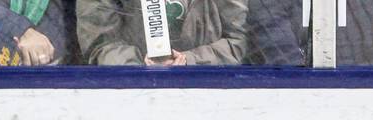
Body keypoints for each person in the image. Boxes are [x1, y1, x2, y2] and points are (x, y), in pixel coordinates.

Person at [77, 0, 249, 65]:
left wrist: (190, 60)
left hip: (207, 91)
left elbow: (235, 43)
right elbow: (99, 44)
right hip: (131, 92)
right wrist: (137, 65)